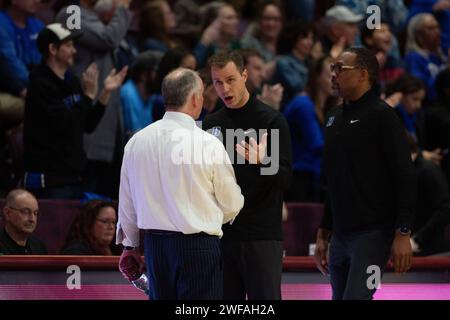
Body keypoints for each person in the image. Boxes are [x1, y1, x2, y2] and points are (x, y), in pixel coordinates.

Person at [116, 68, 244, 300]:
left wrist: (130, 245)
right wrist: (212, 217)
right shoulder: (208, 143)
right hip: (198, 246)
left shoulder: (137, 141)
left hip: (155, 247)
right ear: (195, 99)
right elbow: (232, 203)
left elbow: (127, 203)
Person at [314, 47, 417, 300]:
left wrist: (403, 233)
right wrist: (324, 230)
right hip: (340, 234)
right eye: (333, 68)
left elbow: (405, 177)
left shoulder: (384, 117)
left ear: (362, 74)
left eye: (341, 68)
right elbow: (334, 179)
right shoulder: (333, 117)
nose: (334, 74)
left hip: (373, 235)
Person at [203, 51, 292, 300]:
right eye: (218, 82)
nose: (224, 88)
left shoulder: (271, 121)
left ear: (244, 76)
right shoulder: (211, 123)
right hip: (222, 235)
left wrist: (262, 161)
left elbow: (285, 179)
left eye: (230, 79)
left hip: (261, 235)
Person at [23, 23, 128, 199]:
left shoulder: (71, 81)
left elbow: (87, 124)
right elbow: (63, 124)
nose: (74, 51)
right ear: (53, 49)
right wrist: (87, 97)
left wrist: (105, 92)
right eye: (69, 45)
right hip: (50, 180)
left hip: (73, 177)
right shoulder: (40, 83)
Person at [407, 134, 450, 256]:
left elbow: (446, 208)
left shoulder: (428, 171)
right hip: (413, 245)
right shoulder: (413, 169)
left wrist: (418, 238)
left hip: (428, 249)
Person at [0, 189, 47, 255]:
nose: (32, 219)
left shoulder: (38, 246)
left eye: (35, 213)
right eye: (26, 212)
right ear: (7, 213)